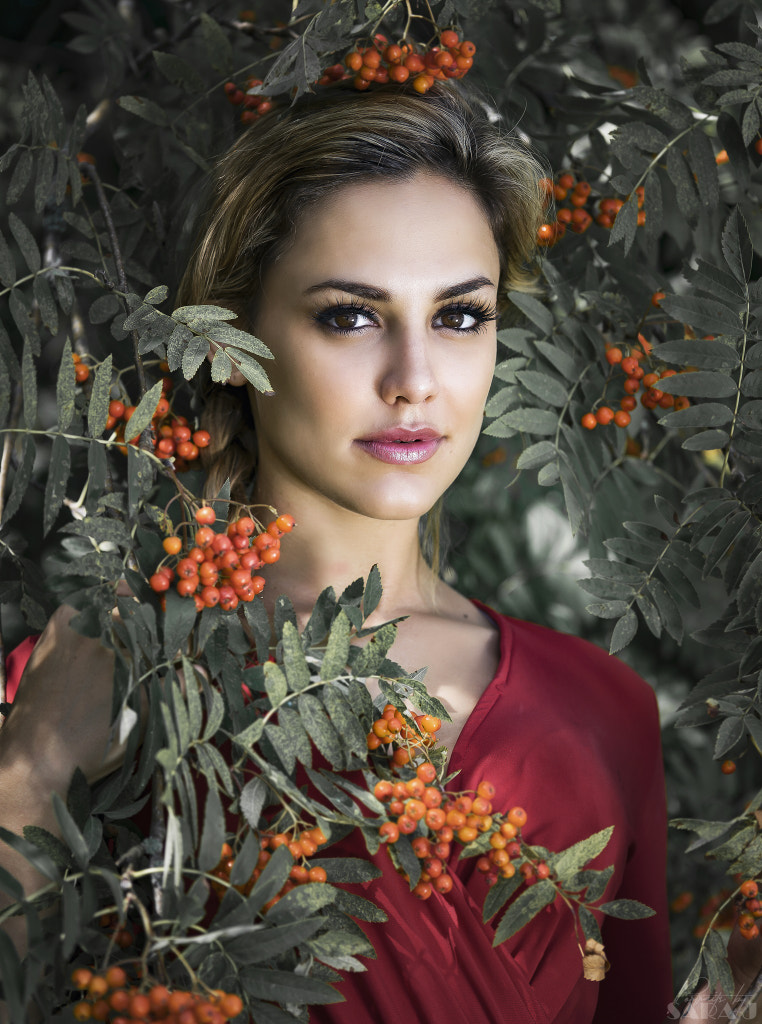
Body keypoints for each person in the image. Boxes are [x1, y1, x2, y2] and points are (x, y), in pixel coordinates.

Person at [0, 80, 742, 1022]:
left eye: (460, 316)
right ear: (235, 335)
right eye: (350, 315)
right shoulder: (99, 675)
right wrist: (28, 775)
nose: (415, 380)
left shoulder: (606, 710)